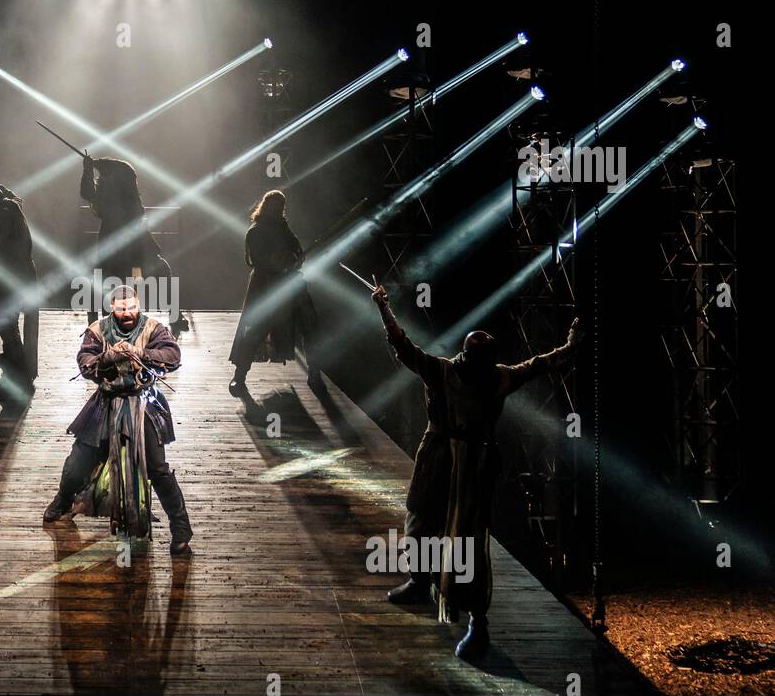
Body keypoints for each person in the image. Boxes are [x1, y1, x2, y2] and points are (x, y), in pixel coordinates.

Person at [372, 284, 580, 659]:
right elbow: (540, 364)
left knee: (466, 541)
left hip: (469, 467)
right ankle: (421, 581)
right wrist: (384, 309)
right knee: (422, 521)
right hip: (441, 460)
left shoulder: (482, 376)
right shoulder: (467, 374)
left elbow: (404, 347)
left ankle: (476, 622)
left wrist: (384, 307)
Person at [42, 285, 193, 554]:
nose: (127, 313)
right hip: (107, 403)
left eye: (132, 307)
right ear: (112, 307)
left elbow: (173, 355)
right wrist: (107, 357)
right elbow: (84, 363)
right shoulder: (98, 330)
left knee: (158, 468)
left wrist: (142, 353)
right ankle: (63, 501)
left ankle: (181, 529)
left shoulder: (153, 328)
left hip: (143, 403)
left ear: (138, 305)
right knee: (80, 459)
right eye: (122, 309)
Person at [228, 190, 322, 392]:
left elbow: (296, 251)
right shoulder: (256, 231)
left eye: (281, 206)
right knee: (254, 329)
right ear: (266, 206)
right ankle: (240, 376)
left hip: (288, 284)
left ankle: (315, 373)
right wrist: (282, 261)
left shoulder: (284, 230)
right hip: (265, 285)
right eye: (274, 205)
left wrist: (295, 259)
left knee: (310, 325)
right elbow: (258, 259)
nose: (278, 210)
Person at [80, 155, 186, 332]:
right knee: (158, 273)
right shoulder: (126, 199)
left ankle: (98, 323)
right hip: (130, 253)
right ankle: (173, 317)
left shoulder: (110, 198)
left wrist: (88, 169)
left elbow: (88, 194)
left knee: (103, 283)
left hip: (120, 251)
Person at [0, 174, 39, 396]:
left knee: (6, 323)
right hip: (23, 276)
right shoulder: (13, 208)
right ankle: (15, 369)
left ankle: (18, 372)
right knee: (7, 323)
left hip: (11, 280)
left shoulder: (3, 216)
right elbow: (12, 195)